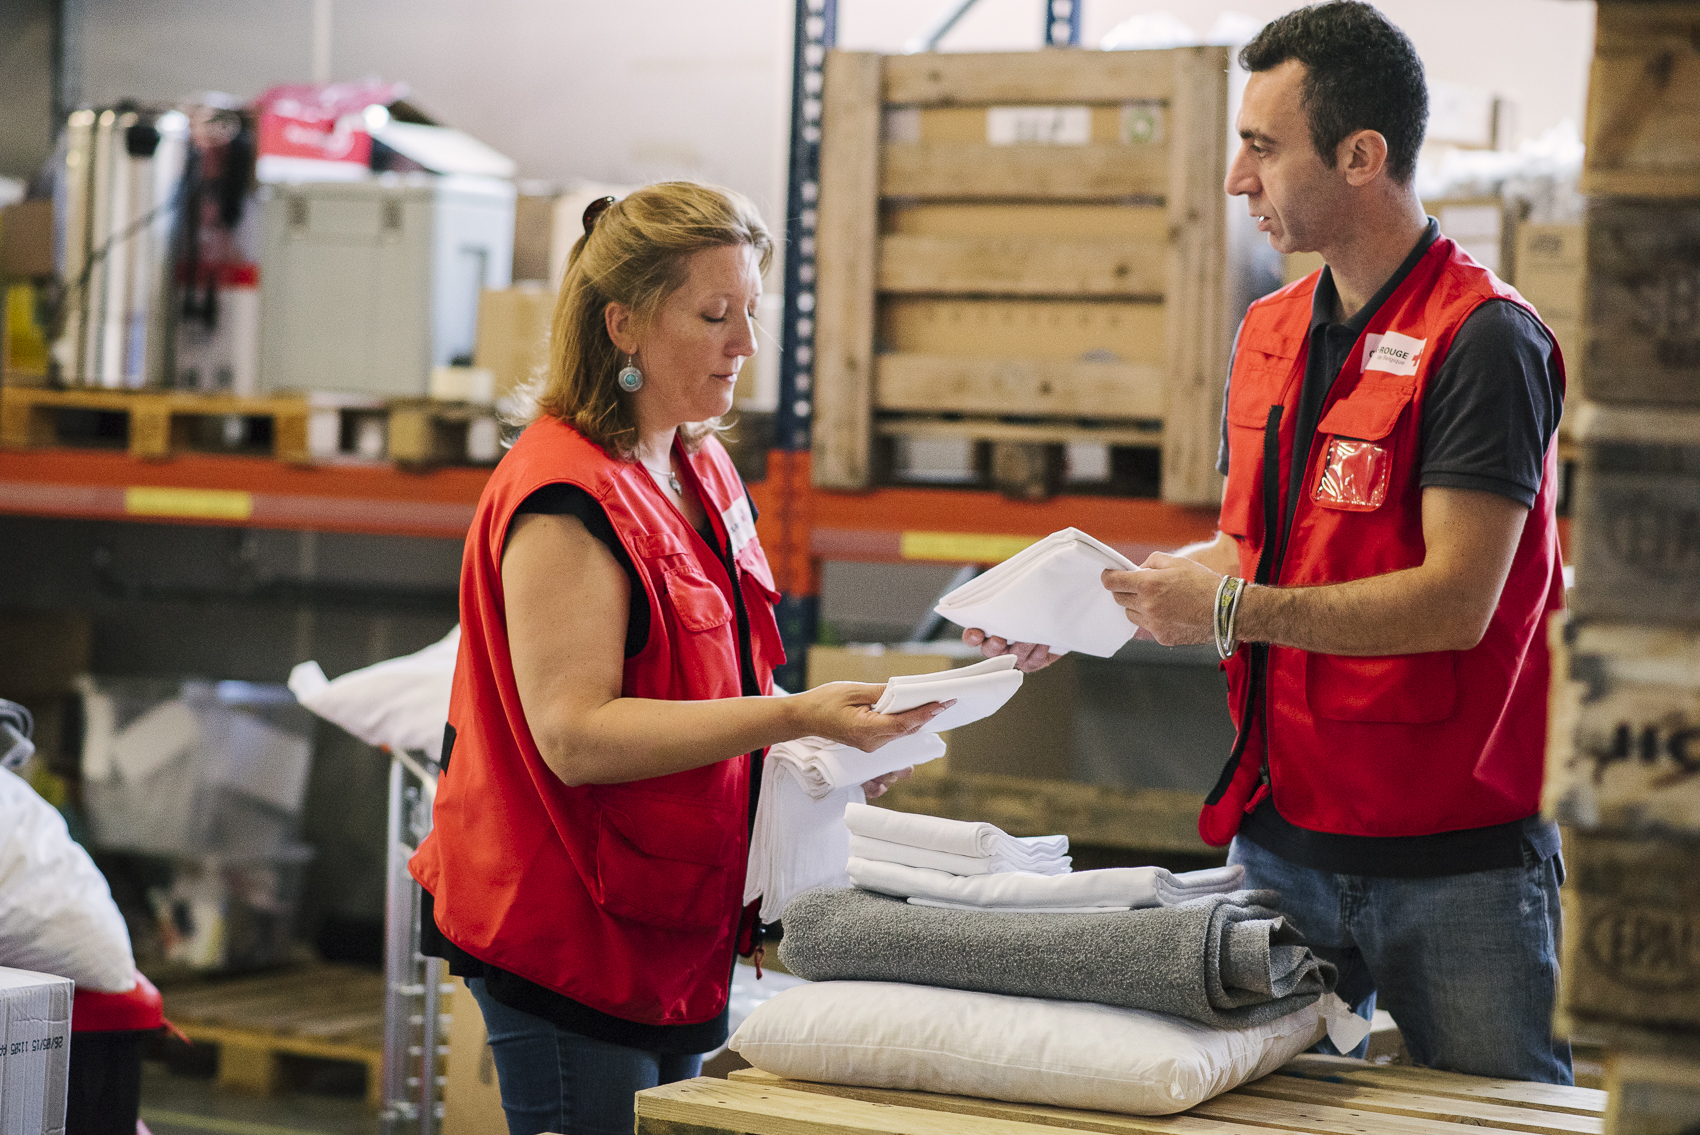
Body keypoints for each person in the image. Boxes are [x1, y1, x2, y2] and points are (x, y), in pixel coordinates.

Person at [967, 2, 1570, 1084]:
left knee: (1500, 1115)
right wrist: (1089, 601)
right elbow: (1254, 546)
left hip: (1454, 864)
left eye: (1260, 147)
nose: (1238, 179)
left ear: (1359, 155)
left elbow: (1452, 602)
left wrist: (1230, 612)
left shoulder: (1482, 341)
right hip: (1281, 842)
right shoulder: (1270, 333)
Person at [410, 182, 946, 1135]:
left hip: (669, 922)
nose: (745, 343)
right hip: (569, 928)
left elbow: (716, 685)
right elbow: (576, 736)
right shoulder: (562, 497)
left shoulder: (699, 464)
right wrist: (793, 714)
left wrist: (824, 755)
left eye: (751, 311)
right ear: (623, 323)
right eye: (713, 315)